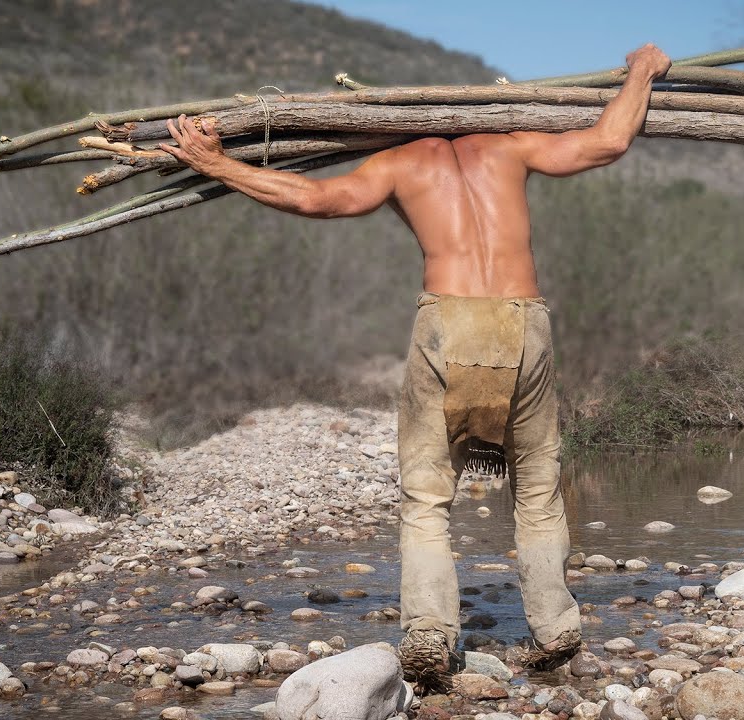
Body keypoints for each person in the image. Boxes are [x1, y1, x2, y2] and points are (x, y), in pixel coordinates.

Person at [161, 43, 672, 690]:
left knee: (426, 495)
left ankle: (430, 631)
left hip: (448, 322)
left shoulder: (398, 161)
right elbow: (608, 141)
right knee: (538, 488)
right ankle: (556, 628)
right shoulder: (510, 143)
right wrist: (642, 72)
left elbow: (316, 200)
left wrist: (218, 165)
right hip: (523, 321)